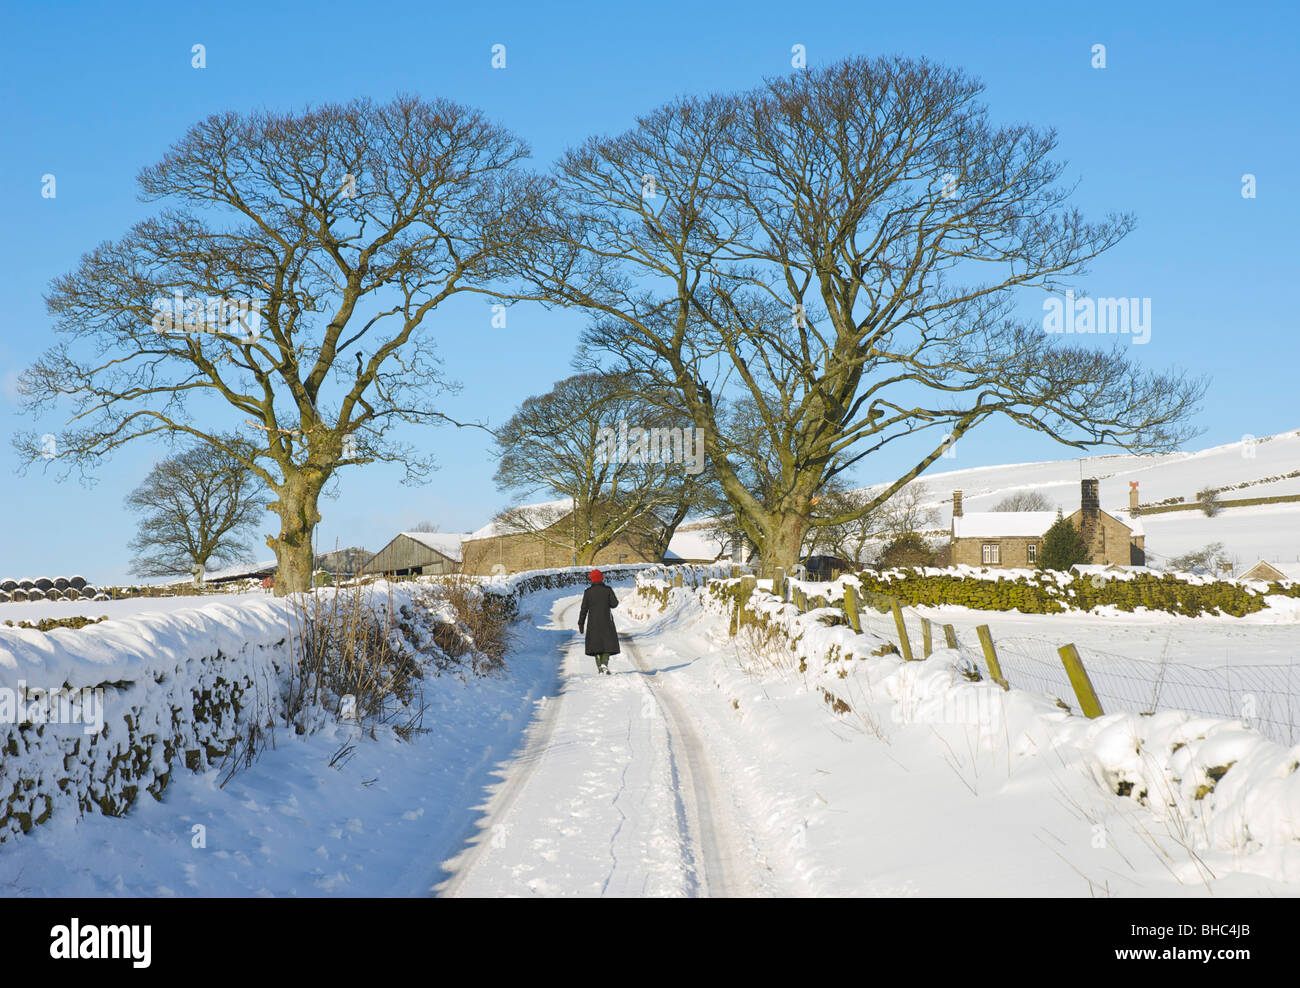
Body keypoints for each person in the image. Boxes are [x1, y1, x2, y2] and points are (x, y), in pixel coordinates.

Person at [577, 568, 620, 675]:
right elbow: (614, 604)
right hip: (606, 621)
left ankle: (600, 668)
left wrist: (581, 623)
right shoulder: (607, 590)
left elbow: (584, 609)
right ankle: (604, 664)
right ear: (602, 578)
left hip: (593, 623)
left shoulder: (588, 592)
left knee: (596, 646)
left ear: (591, 579)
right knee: (607, 645)